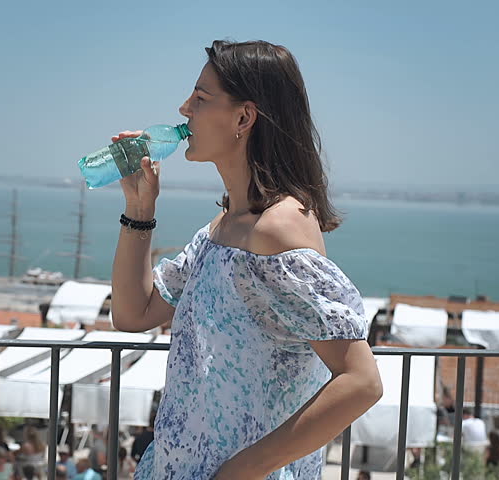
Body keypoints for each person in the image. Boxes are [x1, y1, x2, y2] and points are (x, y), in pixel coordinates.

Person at [110, 39, 383, 479]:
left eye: (200, 98)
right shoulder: (223, 228)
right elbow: (131, 313)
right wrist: (141, 211)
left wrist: (236, 473)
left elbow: (361, 382)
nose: (184, 109)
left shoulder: (277, 229)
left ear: (243, 116)